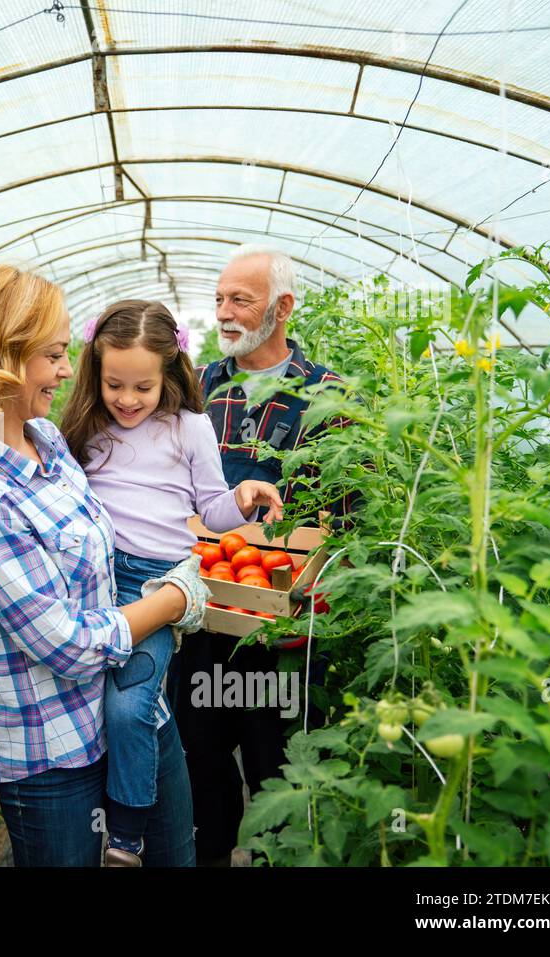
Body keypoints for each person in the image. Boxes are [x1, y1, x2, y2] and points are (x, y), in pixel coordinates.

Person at [0, 264, 212, 867]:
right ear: (1, 358)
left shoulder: (49, 442)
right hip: (52, 748)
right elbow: (65, 643)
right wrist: (175, 599)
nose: (64, 370)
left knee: (176, 857)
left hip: (131, 709)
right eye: (52, 355)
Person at [58, 298, 285, 866]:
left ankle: (127, 836)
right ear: (95, 373)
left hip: (156, 588)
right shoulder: (86, 429)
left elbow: (211, 510)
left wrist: (243, 497)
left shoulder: (189, 429)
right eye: (114, 385)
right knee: (89, 706)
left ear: (169, 375)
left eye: (143, 387)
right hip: (92, 580)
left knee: (130, 707)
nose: (128, 400)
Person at [166, 243, 349, 866]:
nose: (225, 313)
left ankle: (275, 857)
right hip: (200, 607)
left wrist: (314, 564)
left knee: (279, 764)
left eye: (240, 300)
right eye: (219, 299)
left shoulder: (327, 394)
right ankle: (212, 854)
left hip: (285, 619)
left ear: (283, 307)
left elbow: (350, 508)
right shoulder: (196, 386)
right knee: (201, 754)